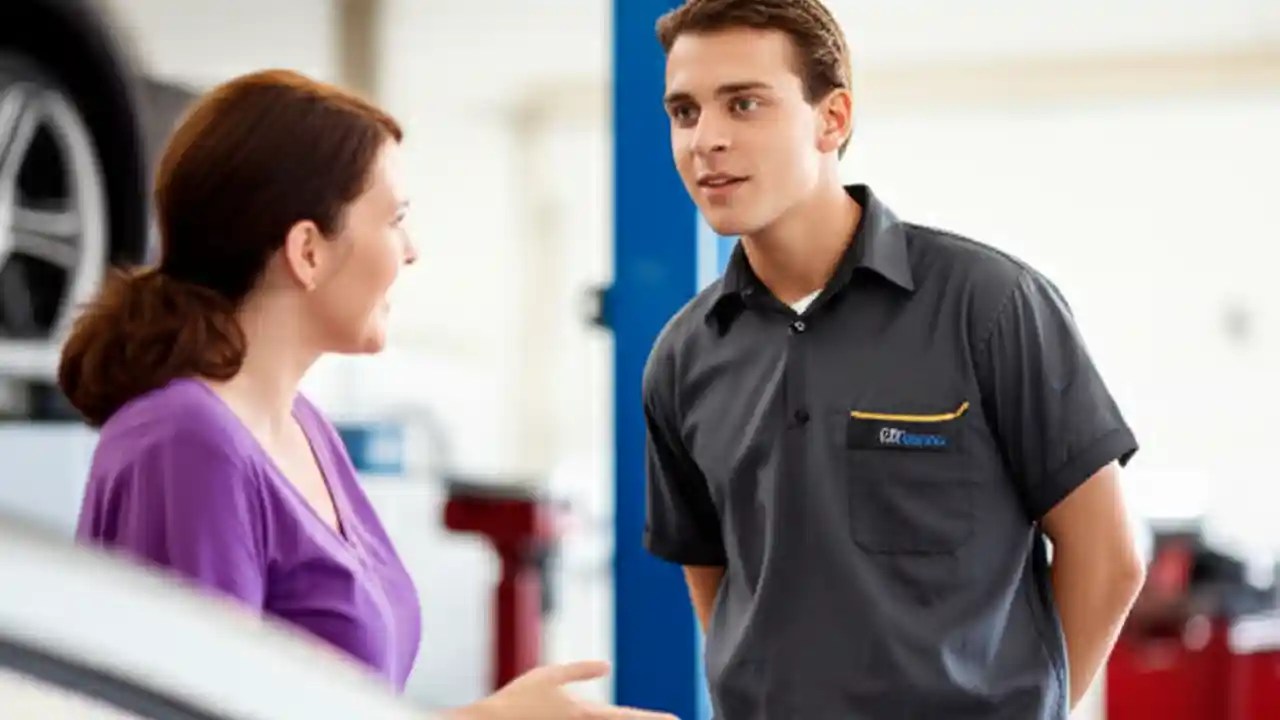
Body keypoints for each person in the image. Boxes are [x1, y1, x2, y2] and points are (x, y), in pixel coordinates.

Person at [58, 69, 675, 720]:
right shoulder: (185, 444)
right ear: (307, 251)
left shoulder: (303, 427)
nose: (411, 251)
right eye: (395, 219)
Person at [640, 1, 1147, 718]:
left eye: (744, 104)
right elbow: (719, 588)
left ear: (832, 118)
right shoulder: (684, 356)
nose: (706, 140)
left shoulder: (990, 306)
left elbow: (1108, 560)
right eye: (685, 112)